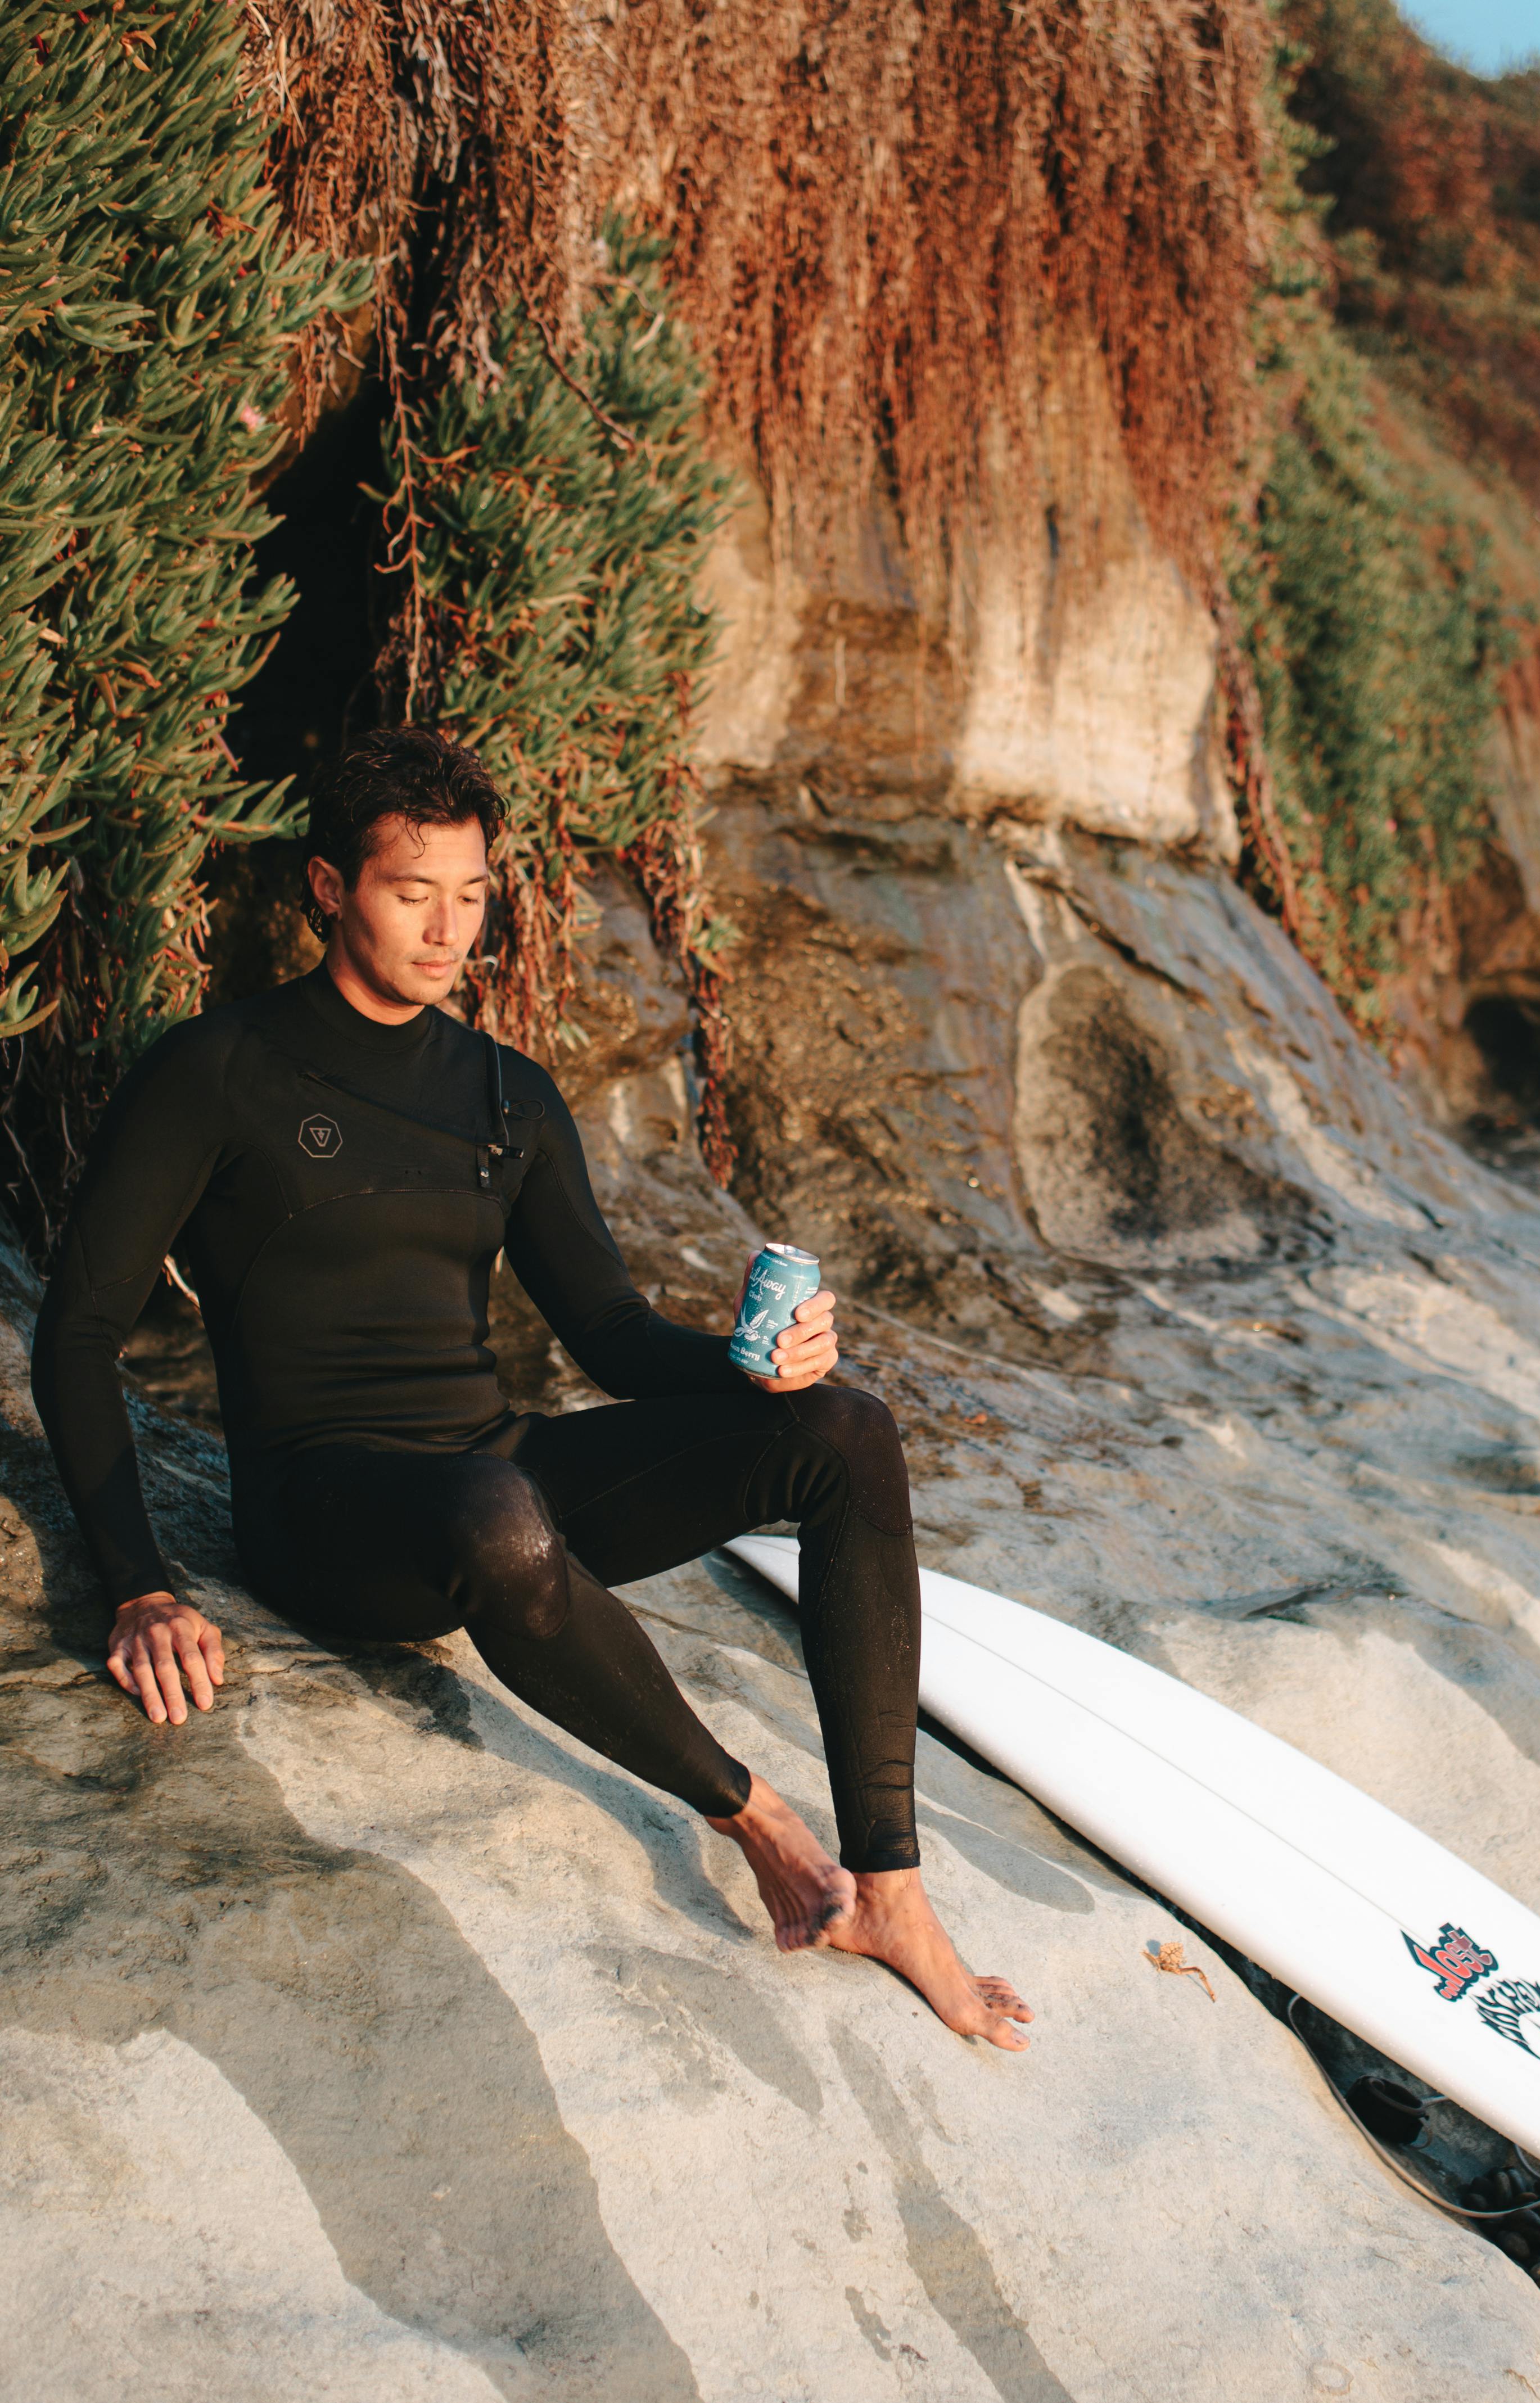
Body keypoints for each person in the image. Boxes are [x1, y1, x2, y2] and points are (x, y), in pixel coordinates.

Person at [30, 726, 1031, 2051]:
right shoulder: (220, 1071)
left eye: (472, 893)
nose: (448, 930)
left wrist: (752, 1359)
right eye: (409, 892)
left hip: (497, 1465)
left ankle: (890, 1894)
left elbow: (609, 1332)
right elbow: (76, 1332)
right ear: (329, 889)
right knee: (497, 1511)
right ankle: (759, 1823)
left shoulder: (506, 1094)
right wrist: (140, 1584)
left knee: (845, 1433)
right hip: (331, 1509)